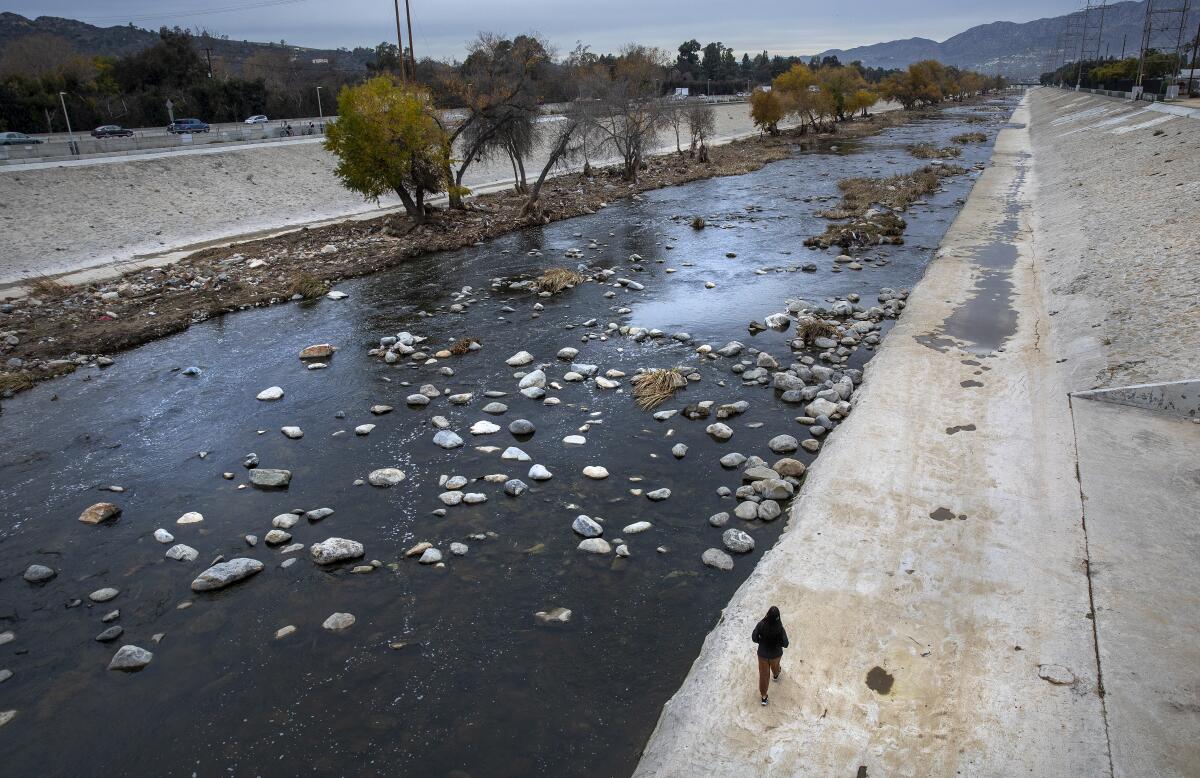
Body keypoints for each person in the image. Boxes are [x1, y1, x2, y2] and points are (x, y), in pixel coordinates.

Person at [751, 605, 789, 706]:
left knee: (763, 675)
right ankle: (776, 675)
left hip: (762, 655)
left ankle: (764, 697)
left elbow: (754, 638)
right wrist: (778, 644)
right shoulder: (780, 628)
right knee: (775, 666)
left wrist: (761, 642)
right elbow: (786, 644)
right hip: (776, 654)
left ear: (767, 614)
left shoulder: (761, 624)